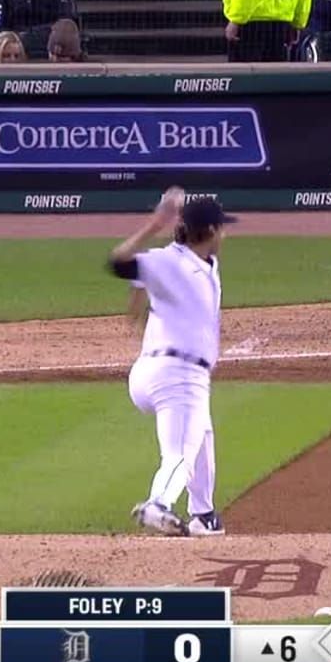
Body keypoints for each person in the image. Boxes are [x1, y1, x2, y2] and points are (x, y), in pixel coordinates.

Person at [109, 187, 235, 538]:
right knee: (180, 453)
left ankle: (204, 514)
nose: (225, 233)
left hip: (160, 373)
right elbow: (118, 262)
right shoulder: (170, 261)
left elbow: (141, 278)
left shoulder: (204, 263)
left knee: (202, 433)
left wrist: (137, 305)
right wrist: (156, 223)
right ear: (210, 231)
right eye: (222, 227)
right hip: (176, 377)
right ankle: (157, 503)